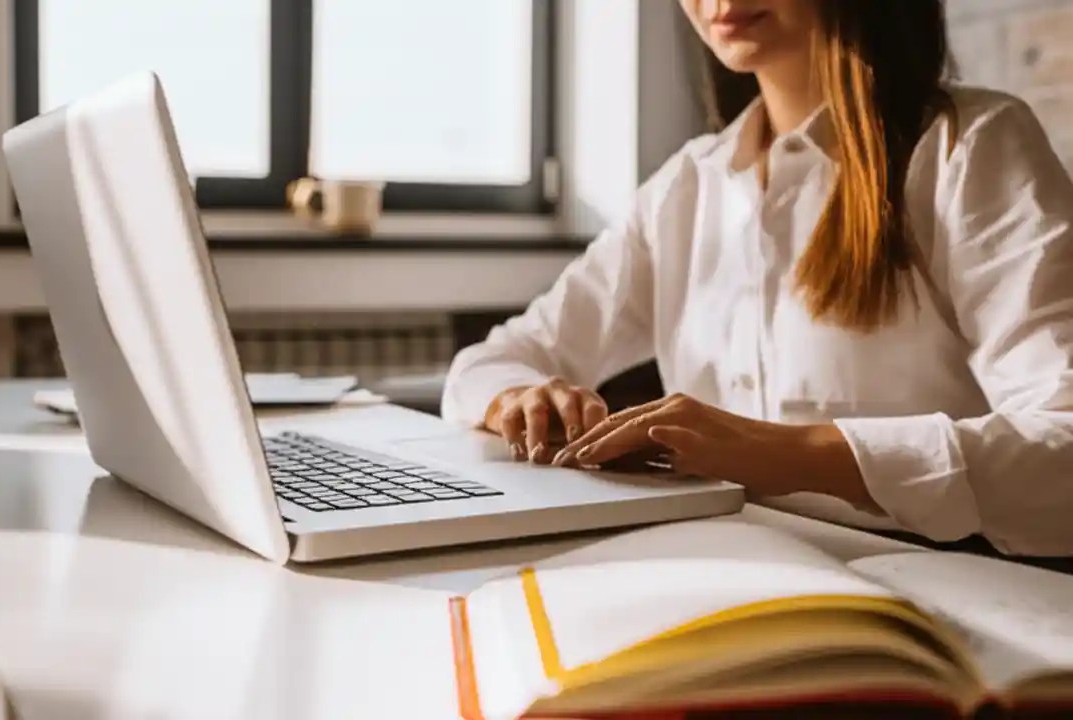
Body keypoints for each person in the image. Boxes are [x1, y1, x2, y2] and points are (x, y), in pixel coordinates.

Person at [442, 0, 1073, 556]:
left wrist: (783, 452)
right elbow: (491, 362)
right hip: (728, 574)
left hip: (934, 587)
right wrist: (518, 400)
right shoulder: (686, 187)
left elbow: (1062, 447)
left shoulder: (969, 146)